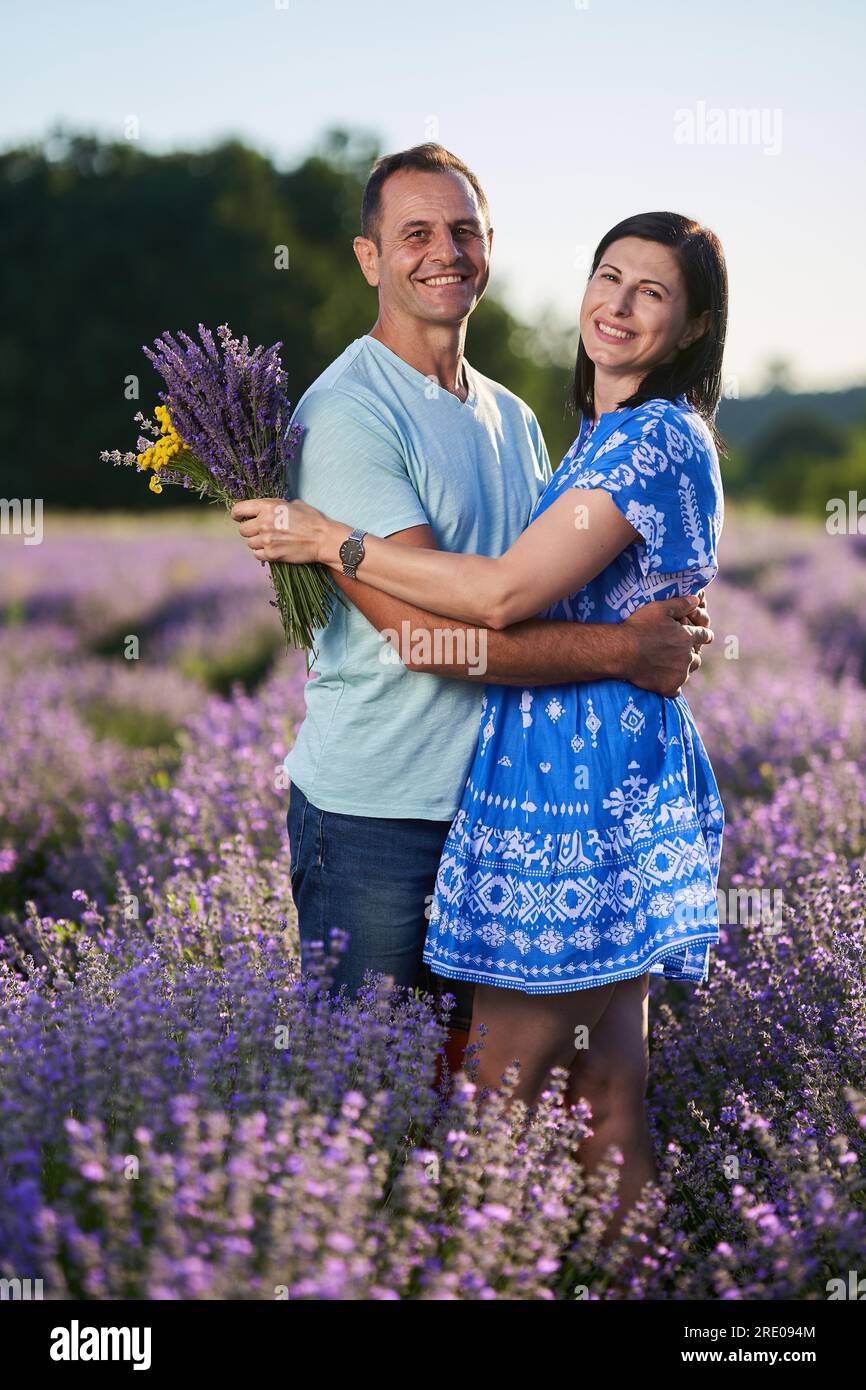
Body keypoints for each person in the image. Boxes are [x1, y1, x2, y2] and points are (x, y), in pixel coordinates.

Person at [231, 147, 714, 1092]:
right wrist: (629, 651)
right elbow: (427, 640)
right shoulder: (346, 415)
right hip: (382, 818)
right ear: (370, 258)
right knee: (369, 1099)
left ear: (490, 247)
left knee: (487, 1094)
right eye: (414, 233)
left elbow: (535, 588)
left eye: (462, 231)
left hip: (498, 811)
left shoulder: (512, 416)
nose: (442, 252)